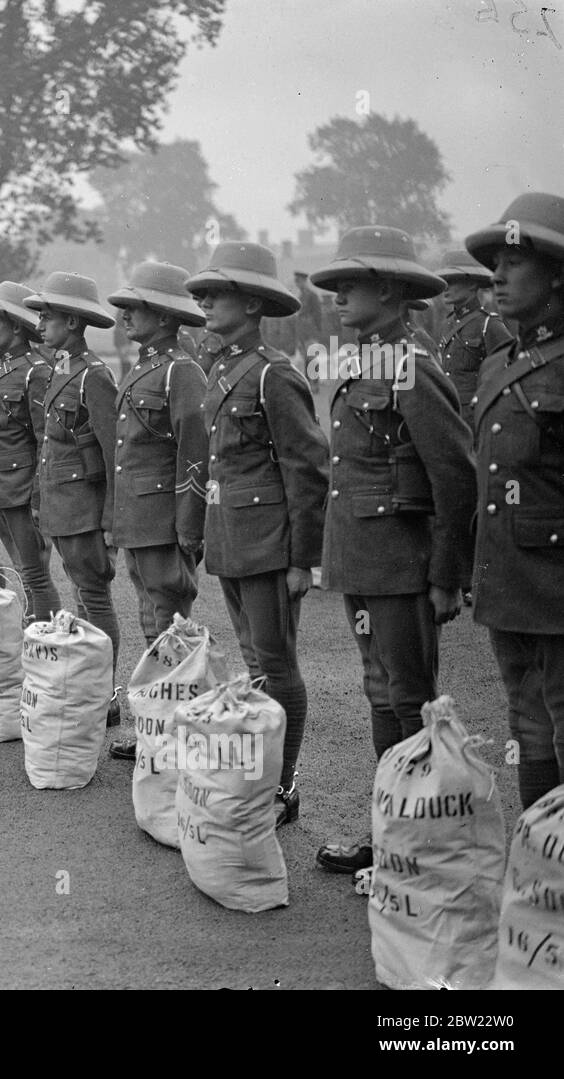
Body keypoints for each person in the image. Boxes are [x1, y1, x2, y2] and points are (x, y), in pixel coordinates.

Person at [307, 227, 476, 874]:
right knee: (381, 693)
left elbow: (454, 475)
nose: (339, 295)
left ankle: (419, 848)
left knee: (409, 697)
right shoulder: (367, 361)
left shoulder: (413, 367)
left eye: (352, 283)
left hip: (404, 563)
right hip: (365, 557)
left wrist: (445, 575)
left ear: (389, 290)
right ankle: (392, 835)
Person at [185, 242, 330, 827]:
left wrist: (303, 560)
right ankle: (262, 775)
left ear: (251, 303)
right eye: (203, 294)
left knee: (276, 664)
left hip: (269, 543)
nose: (205, 302)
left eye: (216, 294)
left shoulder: (274, 374)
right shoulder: (221, 368)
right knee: (255, 661)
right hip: (233, 539)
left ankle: (284, 785)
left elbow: (308, 468)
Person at [465, 192, 564, 809]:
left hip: (557, 579)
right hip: (508, 571)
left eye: (515, 263)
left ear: (556, 274)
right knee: (527, 723)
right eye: (495, 262)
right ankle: (542, 867)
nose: (496, 276)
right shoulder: (503, 359)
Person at [103, 263, 209, 759]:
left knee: (169, 625)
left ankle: (174, 741)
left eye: (135, 307)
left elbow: (194, 452)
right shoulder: (146, 365)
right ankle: (157, 737)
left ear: (165, 317)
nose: (124, 315)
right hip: (138, 517)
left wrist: (190, 525)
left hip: (163, 518)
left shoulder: (181, 371)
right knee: (153, 621)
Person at [25, 272, 121, 658]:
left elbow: (114, 454)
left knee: (94, 601)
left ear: (73, 321)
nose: (40, 325)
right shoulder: (62, 370)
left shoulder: (93, 375)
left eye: (48, 316)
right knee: (82, 598)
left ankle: (105, 694)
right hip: (63, 505)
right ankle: (91, 689)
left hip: (84, 508)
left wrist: (112, 521)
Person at [0, 280, 60, 619]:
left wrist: (38, 498)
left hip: (22, 490)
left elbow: (45, 440)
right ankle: (31, 637)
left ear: (16, 326)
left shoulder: (35, 372)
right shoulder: (1, 366)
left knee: (35, 574)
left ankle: (45, 640)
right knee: (24, 572)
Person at [436, 248, 513, 427]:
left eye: (453, 281)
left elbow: (508, 371)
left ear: (472, 284)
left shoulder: (488, 325)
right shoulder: (447, 325)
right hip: (449, 415)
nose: (446, 287)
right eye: (444, 280)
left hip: (476, 419)